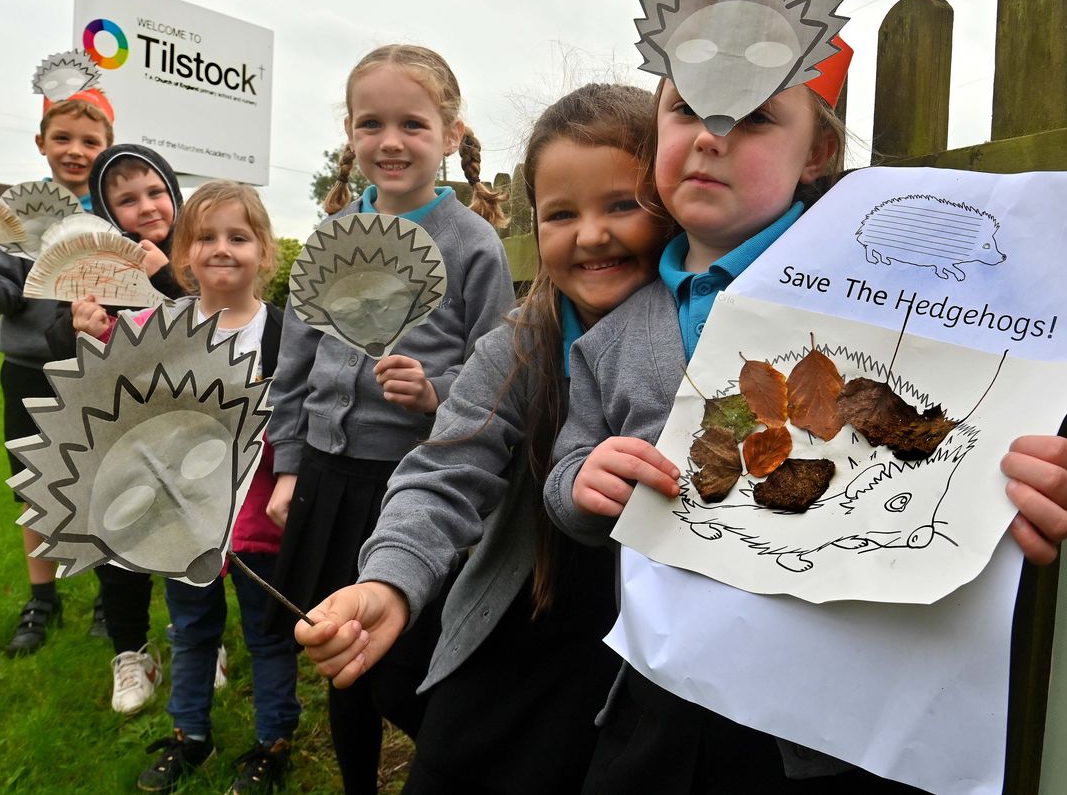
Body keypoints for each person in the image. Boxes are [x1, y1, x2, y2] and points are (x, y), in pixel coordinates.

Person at [537, 50, 1067, 793]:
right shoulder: (610, 336)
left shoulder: (889, 291)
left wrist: (1023, 480)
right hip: (665, 704)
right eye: (688, 110)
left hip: (833, 728)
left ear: (818, 152)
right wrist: (583, 483)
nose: (712, 135)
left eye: (758, 116)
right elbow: (567, 468)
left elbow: (965, 437)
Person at [295, 83, 673, 793]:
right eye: (561, 214)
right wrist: (390, 576)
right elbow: (445, 465)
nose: (590, 234)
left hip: (657, 656)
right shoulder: (524, 344)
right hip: (533, 618)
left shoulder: (706, 329)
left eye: (621, 204)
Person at [266, 44, 515, 793]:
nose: (391, 141)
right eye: (371, 124)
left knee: (400, 661)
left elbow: (498, 369)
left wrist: (436, 392)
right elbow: (295, 364)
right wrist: (284, 466)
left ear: (449, 134)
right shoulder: (330, 235)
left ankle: (452, 763)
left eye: (412, 123)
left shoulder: (473, 244)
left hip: (411, 486)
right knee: (339, 653)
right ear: (350, 134)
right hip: (324, 476)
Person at [74, 181, 299, 794]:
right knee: (192, 629)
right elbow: (114, 373)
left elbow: (306, 412)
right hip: (181, 520)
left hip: (257, 518)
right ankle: (188, 736)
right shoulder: (162, 324)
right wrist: (91, 329)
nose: (221, 248)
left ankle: (272, 741)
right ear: (183, 255)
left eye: (238, 236)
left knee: (269, 634)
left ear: (264, 252)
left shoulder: (285, 334)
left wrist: (290, 479)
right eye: (205, 237)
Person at [0, 93, 113, 655]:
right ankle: (42, 597)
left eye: (90, 142)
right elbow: (1, 297)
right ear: (41, 144)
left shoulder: (111, 214)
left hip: (93, 369)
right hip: (25, 371)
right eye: (63, 138)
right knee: (34, 487)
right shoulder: (16, 216)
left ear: (106, 148)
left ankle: (108, 593)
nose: (75, 151)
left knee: (97, 483)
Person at [53, 143, 189, 714]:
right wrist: (78, 332)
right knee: (119, 545)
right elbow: (61, 362)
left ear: (174, 196)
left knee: (189, 541)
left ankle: (195, 644)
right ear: (108, 214)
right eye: (126, 200)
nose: (147, 207)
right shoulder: (97, 274)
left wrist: (170, 283)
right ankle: (132, 653)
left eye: (156, 192)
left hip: (188, 434)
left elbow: (220, 330)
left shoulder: (197, 255)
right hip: (120, 437)